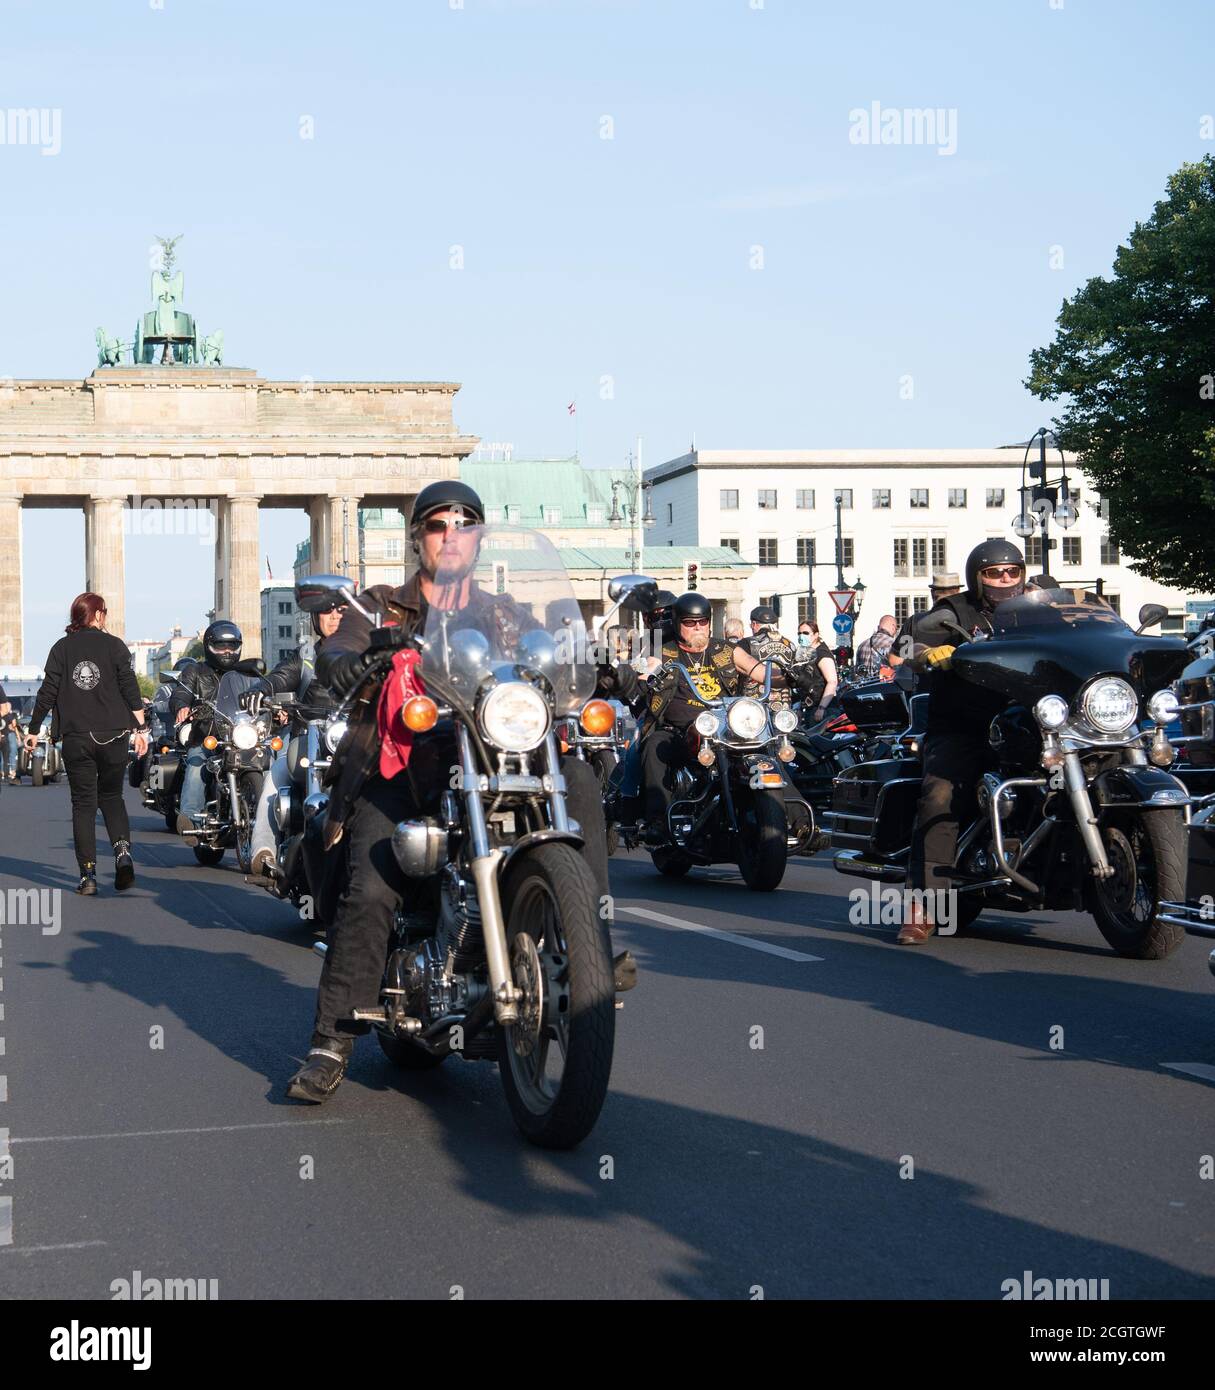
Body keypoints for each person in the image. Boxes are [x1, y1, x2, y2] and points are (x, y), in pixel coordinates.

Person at [286, 479, 635, 1103]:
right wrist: (351, 660)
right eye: (438, 524)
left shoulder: (504, 613)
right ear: (417, 538)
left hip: (497, 753)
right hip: (402, 766)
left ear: (479, 539)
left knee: (579, 777)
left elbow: (553, 654)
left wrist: (590, 659)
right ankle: (330, 1042)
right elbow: (339, 650)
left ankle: (589, 947)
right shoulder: (381, 607)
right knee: (374, 885)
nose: (451, 535)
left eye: (465, 524)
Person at [898, 540, 1027, 944]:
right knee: (940, 795)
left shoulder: (1038, 603)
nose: (1004, 579)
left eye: (1012, 571)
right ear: (977, 576)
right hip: (964, 724)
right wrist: (928, 654)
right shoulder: (955, 610)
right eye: (994, 572)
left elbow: (1084, 622)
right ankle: (922, 906)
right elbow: (908, 644)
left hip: (1030, 723)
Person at [26, 593, 148, 894]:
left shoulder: (61, 648)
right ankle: (122, 853)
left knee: (83, 804)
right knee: (112, 797)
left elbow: (47, 692)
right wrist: (141, 729)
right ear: (98, 615)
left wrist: (33, 729)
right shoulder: (115, 645)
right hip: (114, 733)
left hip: (77, 736)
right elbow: (129, 688)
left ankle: (88, 876)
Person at [246, 593, 347, 879]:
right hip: (309, 742)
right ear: (315, 618)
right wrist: (261, 689)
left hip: (352, 743)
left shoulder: (365, 656)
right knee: (277, 774)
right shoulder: (305, 657)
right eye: (326, 611)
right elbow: (281, 676)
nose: (334, 616)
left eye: (341, 610)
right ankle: (263, 850)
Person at [638, 590, 740, 842]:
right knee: (649, 746)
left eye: (702, 621)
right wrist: (636, 678)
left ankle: (795, 820)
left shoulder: (723, 648)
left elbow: (756, 668)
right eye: (689, 622)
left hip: (724, 726)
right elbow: (646, 668)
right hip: (678, 728)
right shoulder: (658, 647)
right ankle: (656, 818)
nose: (697, 627)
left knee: (765, 748)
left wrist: (786, 675)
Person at [170, 620, 246, 835]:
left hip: (240, 736)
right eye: (221, 646)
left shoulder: (245, 672)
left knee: (268, 760)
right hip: (207, 736)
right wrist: (182, 706)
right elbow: (181, 692)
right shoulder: (195, 671)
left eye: (232, 646)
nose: (227, 651)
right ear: (209, 646)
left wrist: (276, 708)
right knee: (196, 763)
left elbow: (262, 691)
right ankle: (191, 820)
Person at [733, 605, 816, 709]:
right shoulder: (790, 645)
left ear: (754, 624)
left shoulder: (746, 643)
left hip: (754, 707)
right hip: (783, 707)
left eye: (751, 625)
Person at [794, 619, 838, 724]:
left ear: (815, 635)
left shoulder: (822, 654)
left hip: (823, 710)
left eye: (805, 633)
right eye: (799, 633)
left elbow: (832, 682)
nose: (801, 636)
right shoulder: (807, 653)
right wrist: (799, 707)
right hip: (810, 708)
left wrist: (821, 708)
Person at [855, 615, 899, 679]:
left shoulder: (862, 645)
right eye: (896, 629)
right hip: (885, 684)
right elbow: (902, 670)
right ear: (893, 627)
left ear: (878, 627)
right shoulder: (893, 644)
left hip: (865, 684)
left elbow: (857, 672)